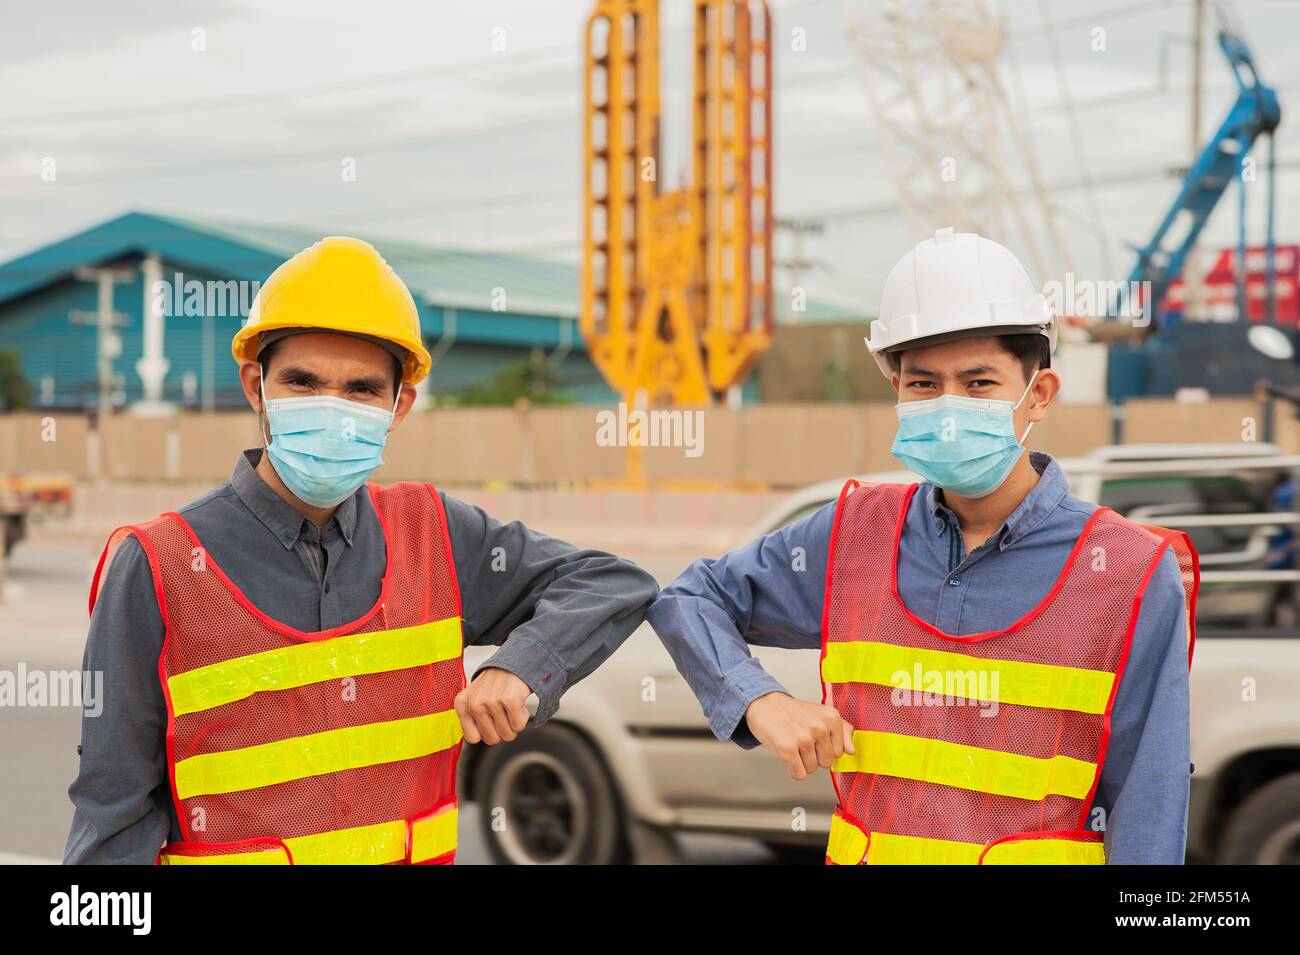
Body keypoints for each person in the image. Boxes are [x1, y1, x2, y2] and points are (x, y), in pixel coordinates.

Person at [65, 236, 658, 865]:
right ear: (255, 386)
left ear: (398, 404)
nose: (332, 409)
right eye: (303, 382)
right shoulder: (158, 566)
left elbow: (611, 582)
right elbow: (113, 822)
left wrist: (522, 664)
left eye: (361, 390)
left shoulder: (437, 535)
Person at [647, 228, 1199, 864]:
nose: (949, 406)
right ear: (898, 393)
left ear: (1037, 395)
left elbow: (1150, 806)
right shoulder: (851, 535)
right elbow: (690, 597)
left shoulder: (1129, 571)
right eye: (924, 385)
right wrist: (758, 700)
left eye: (979, 382)